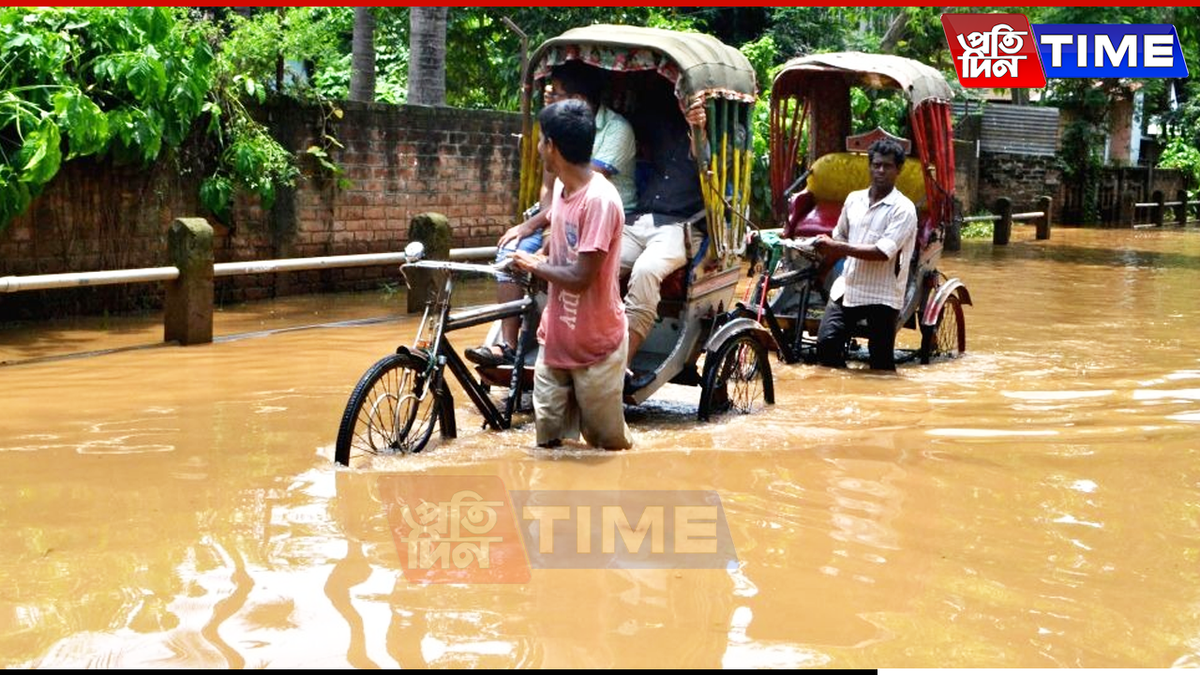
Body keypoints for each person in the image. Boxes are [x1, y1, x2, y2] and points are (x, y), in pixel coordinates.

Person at [466, 61, 636, 367]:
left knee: (565, 264)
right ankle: (509, 342)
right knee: (510, 251)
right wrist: (536, 226)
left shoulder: (616, 132)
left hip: (607, 218)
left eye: (557, 95)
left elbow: (578, 182)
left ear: (580, 100)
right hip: (560, 213)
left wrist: (537, 226)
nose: (551, 100)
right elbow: (555, 185)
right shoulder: (558, 139)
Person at [508, 98, 633, 450]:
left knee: (607, 448)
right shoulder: (563, 190)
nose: (537, 148)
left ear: (552, 147)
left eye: (540, 140)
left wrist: (533, 264)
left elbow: (581, 276)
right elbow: (561, 246)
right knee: (548, 442)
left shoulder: (600, 200)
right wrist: (542, 255)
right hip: (557, 338)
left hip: (597, 345)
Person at [620, 88, 708, 387]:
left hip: (680, 227)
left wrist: (698, 126)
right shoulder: (658, 122)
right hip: (639, 219)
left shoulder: (709, 131)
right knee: (598, 263)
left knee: (646, 271)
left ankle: (623, 365)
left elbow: (704, 160)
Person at [812, 137, 918, 371]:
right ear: (869, 166)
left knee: (880, 361)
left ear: (898, 170)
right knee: (826, 345)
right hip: (849, 286)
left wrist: (838, 248)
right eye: (876, 165)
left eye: (887, 166)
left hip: (883, 293)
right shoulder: (854, 200)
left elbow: (883, 252)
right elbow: (837, 239)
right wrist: (821, 273)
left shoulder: (904, 209)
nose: (880, 170)